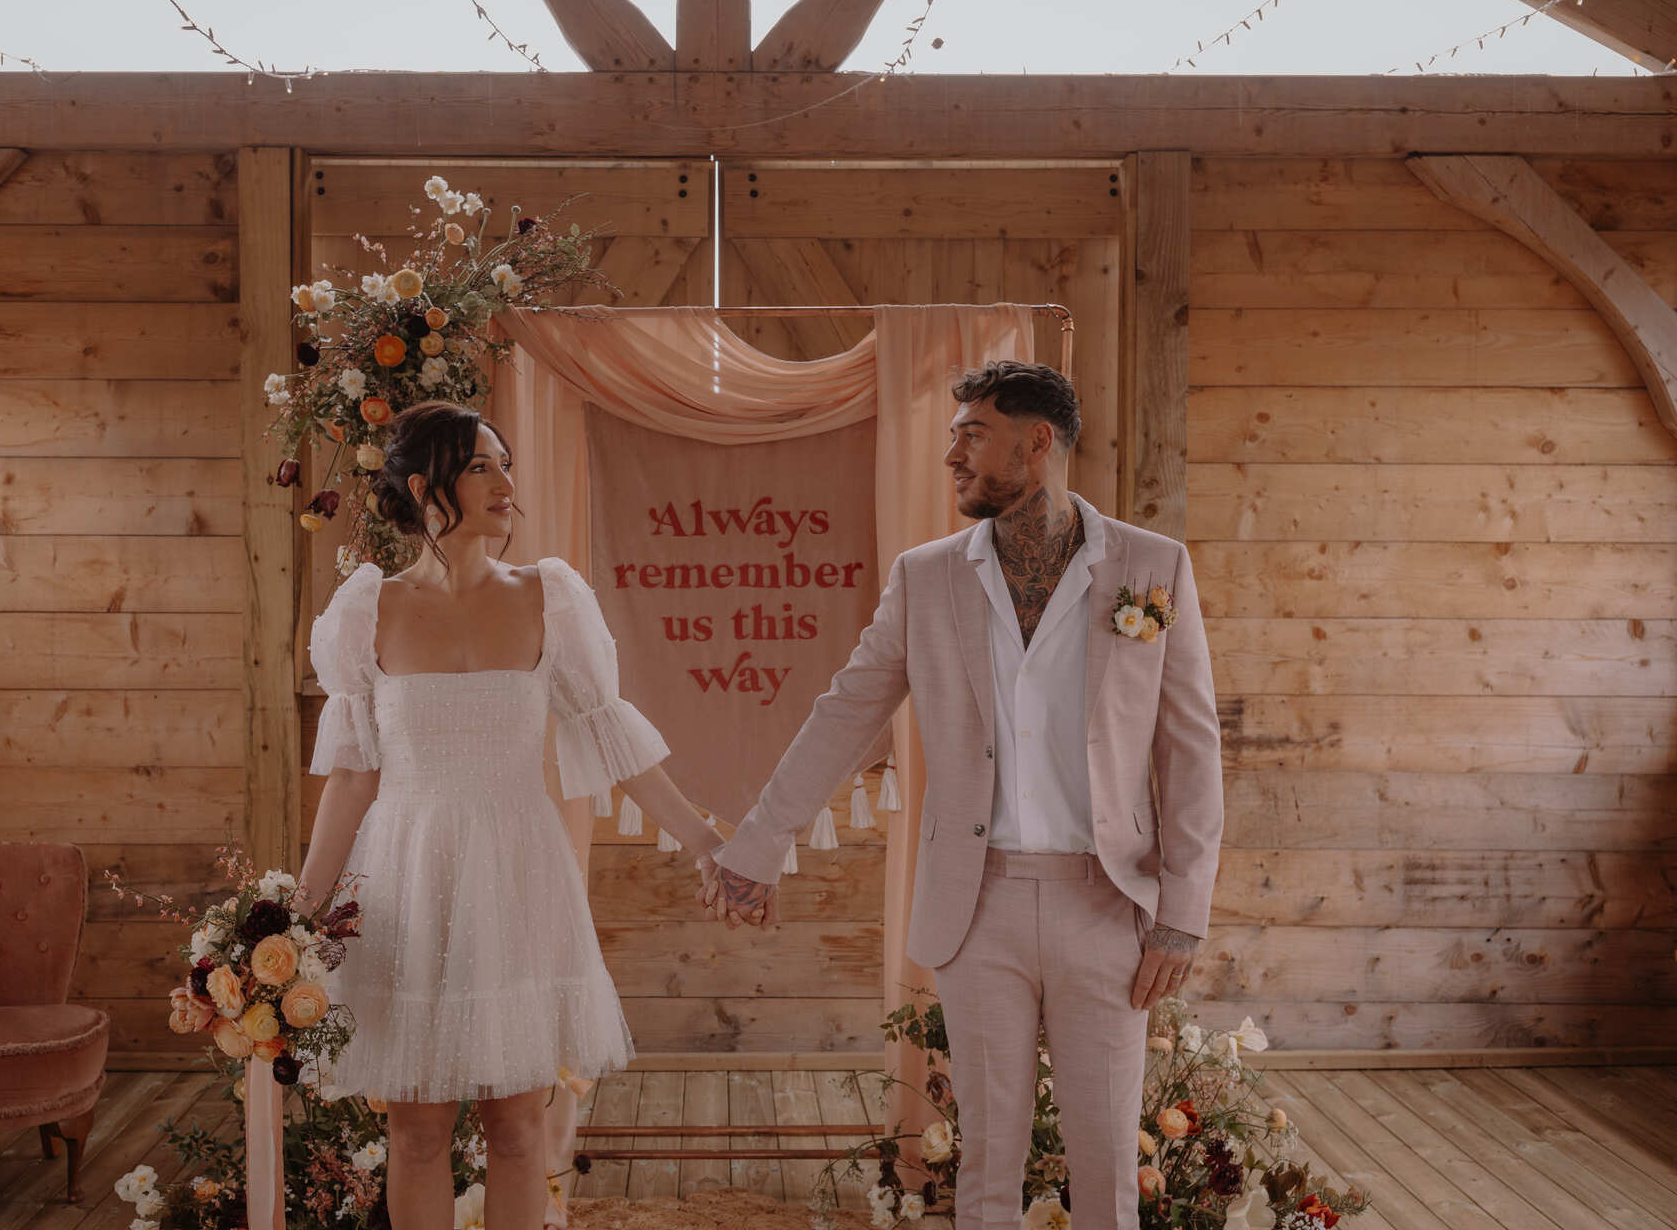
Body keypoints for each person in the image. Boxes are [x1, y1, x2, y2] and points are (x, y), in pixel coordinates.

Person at [701, 360, 1224, 1230]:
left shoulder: (1152, 566)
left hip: (1109, 904)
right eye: (953, 435)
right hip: (972, 906)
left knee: (1106, 1169)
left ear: (1038, 442)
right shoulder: (926, 576)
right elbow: (843, 715)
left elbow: (1192, 748)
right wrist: (755, 849)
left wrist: (1185, 908)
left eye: (971, 434)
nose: (952, 454)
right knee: (985, 1163)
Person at [293, 400, 725, 1230]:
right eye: (483, 466)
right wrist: (300, 916)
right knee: (417, 1130)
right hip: (405, 879)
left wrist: (705, 842)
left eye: (506, 464)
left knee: (519, 1127)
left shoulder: (549, 598)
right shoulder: (364, 612)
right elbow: (350, 780)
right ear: (426, 487)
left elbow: (616, 742)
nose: (507, 485)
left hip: (519, 871)